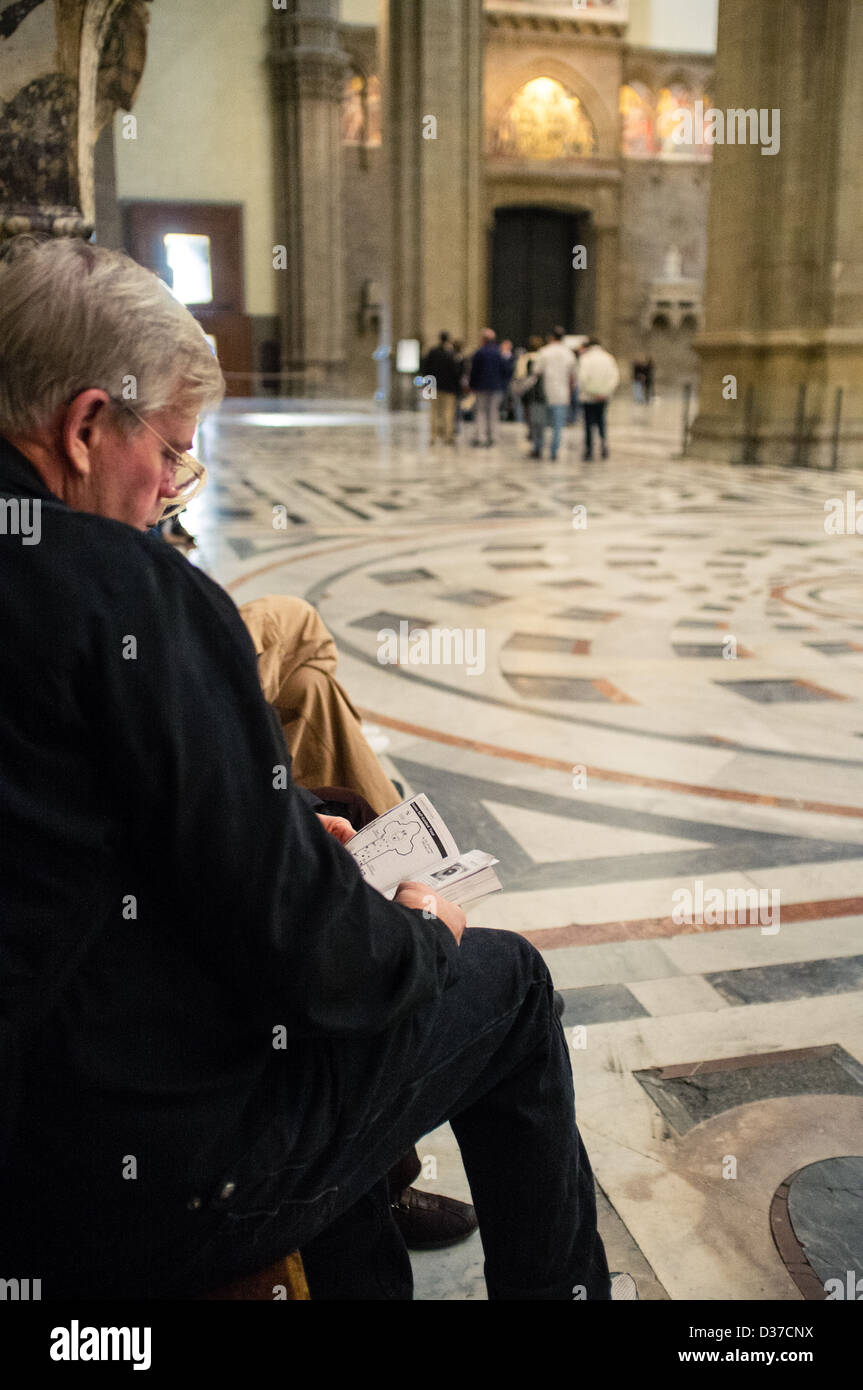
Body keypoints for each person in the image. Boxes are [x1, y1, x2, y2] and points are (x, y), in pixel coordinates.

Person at [0, 235, 621, 1301]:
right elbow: (316, 957)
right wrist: (421, 930)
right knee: (503, 983)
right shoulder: (121, 594)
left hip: (44, 1119)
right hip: (120, 1179)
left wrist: (280, 852)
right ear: (89, 424)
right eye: (173, 452)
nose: (169, 493)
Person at [535, 326, 578, 462]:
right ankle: (554, 451)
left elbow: (537, 371)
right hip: (562, 394)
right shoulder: (568, 353)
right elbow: (573, 375)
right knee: (558, 426)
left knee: (541, 423)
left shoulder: (544, 351)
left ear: (551, 337)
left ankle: (539, 447)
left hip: (545, 393)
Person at [577, 337, 621, 461]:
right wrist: (604, 392)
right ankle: (603, 445)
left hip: (588, 397)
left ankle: (589, 450)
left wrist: (592, 392)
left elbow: (582, 378)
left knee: (588, 423)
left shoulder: (586, 359)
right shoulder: (608, 358)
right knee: (601, 421)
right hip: (603, 397)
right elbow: (614, 377)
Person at [468, 328, 508, 448]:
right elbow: (505, 370)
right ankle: (493, 436)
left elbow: (474, 371)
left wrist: (472, 385)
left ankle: (481, 437)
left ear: (484, 339)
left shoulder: (480, 352)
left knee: (481, 411)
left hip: (481, 386)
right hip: (496, 387)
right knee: (493, 412)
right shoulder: (499, 353)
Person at [420, 332, 461, 446]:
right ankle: (448, 436)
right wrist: (457, 387)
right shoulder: (450, 354)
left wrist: (426, 385)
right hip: (448, 387)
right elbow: (455, 372)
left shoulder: (432, 352)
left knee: (434, 411)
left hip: (433, 386)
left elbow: (425, 368)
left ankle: (432, 436)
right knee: (448, 412)